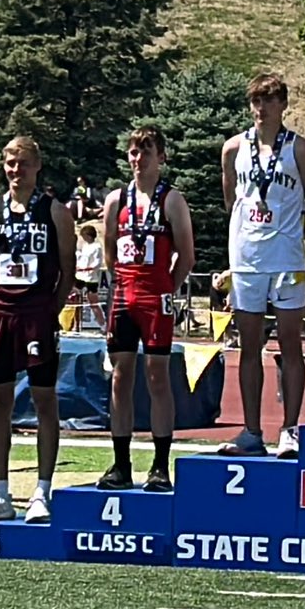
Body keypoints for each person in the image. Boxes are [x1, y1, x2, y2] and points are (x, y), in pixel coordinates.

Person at [0, 137, 76, 523]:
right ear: (4, 166)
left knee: (44, 401)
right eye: (11, 163)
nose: (17, 170)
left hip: (38, 315)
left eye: (25, 163)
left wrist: (51, 309)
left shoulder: (56, 212)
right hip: (0, 314)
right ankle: (0, 493)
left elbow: (67, 269)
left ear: (38, 166)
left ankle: (41, 492)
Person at [218, 74, 305, 457]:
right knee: (249, 346)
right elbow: (233, 199)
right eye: (256, 102)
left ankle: (290, 429)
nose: (261, 109)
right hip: (246, 259)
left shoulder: (300, 149)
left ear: (283, 105)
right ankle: (250, 430)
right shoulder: (233, 148)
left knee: (290, 345)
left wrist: (294, 232)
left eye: (269, 101)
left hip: (286, 258)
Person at [97, 126, 195, 492]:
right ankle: (121, 464)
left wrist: (167, 287)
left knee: (157, 375)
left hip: (156, 297)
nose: (139, 158)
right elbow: (110, 248)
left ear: (161, 157)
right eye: (134, 152)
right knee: (120, 377)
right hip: (123, 296)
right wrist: (118, 282)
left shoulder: (172, 200)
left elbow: (186, 255)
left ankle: (159, 465)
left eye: (147, 151)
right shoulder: (115, 201)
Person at [73, 224, 105, 328]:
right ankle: (74, 325)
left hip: (91, 278)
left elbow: (96, 264)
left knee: (93, 303)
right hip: (80, 276)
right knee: (73, 299)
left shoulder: (97, 247)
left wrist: (86, 269)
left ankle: (103, 325)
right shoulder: (85, 246)